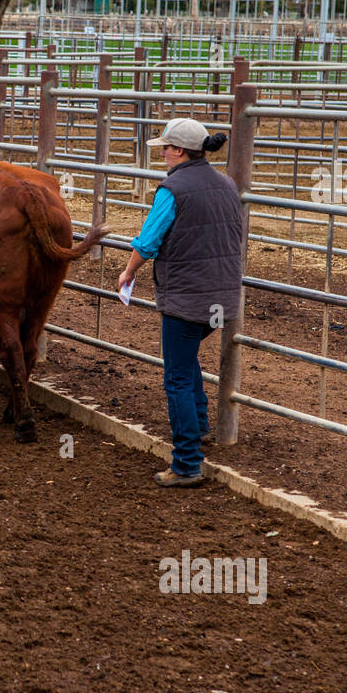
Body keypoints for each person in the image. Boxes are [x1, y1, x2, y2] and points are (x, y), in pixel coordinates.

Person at [117, 117, 243, 487]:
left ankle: (187, 462)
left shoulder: (172, 189)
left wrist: (128, 272)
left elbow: (149, 240)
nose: (162, 153)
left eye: (165, 148)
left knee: (175, 378)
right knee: (187, 363)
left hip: (186, 296)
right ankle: (202, 424)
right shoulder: (226, 183)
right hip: (222, 298)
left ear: (178, 151)